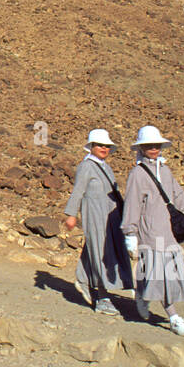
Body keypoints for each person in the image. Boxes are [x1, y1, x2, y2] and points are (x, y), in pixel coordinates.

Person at [122, 125, 184, 336]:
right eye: (149, 145)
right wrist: (130, 233)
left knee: (159, 272)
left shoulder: (165, 171)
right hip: (150, 233)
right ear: (141, 148)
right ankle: (173, 317)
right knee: (162, 275)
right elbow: (131, 205)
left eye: (156, 145)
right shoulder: (137, 175)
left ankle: (141, 294)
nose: (153, 148)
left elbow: (178, 196)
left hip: (169, 232)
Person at [63, 128, 133, 314]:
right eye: (100, 145)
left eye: (107, 146)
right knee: (101, 251)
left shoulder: (105, 167)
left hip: (111, 216)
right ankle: (102, 297)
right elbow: (78, 191)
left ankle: (83, 279)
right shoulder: (86, 167)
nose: (104, 148)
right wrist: (71, 214)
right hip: (95, 214)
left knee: (97, 247)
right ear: (91, 146)